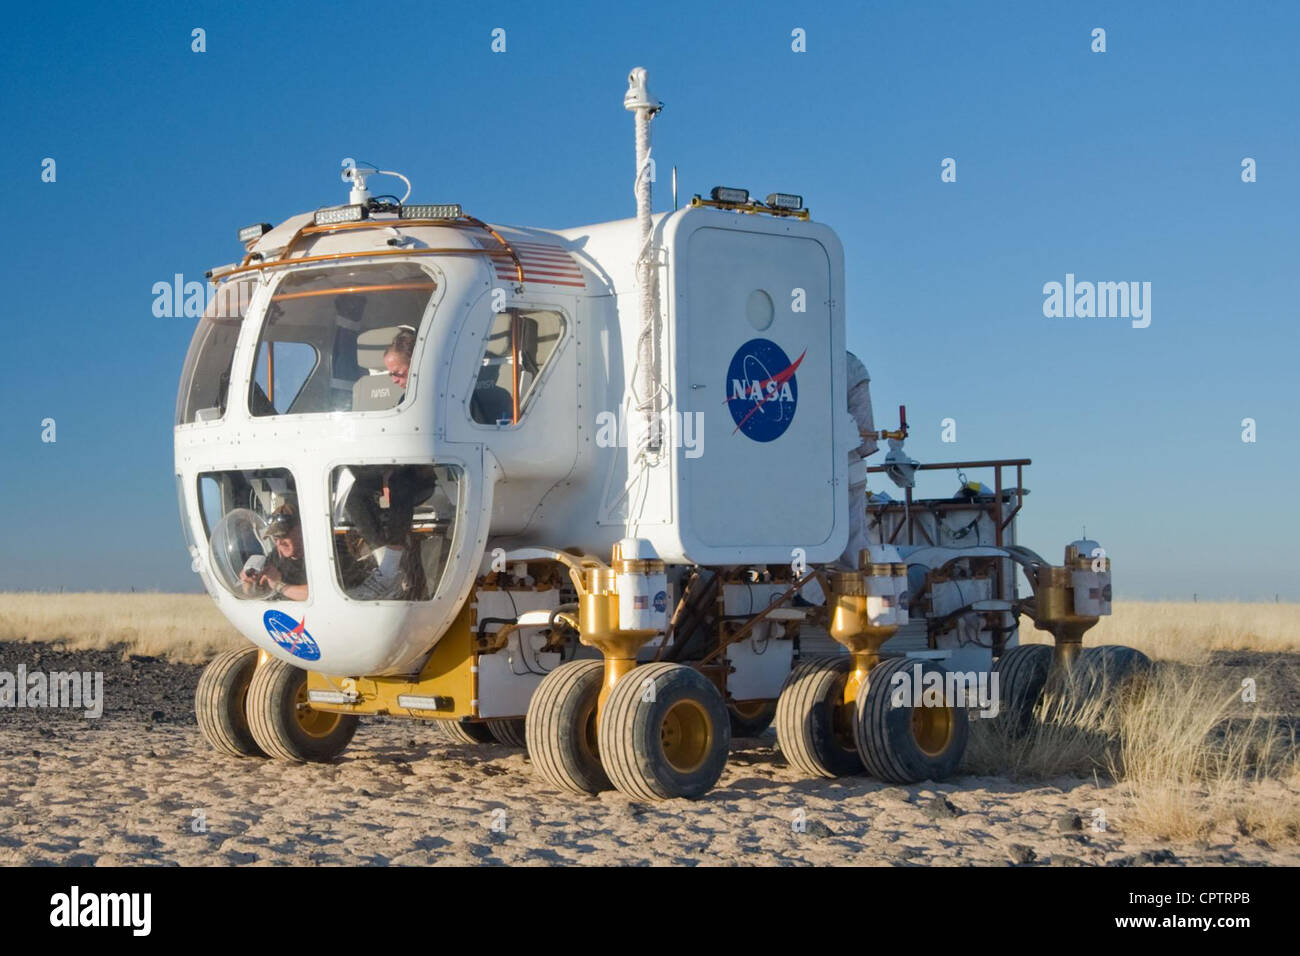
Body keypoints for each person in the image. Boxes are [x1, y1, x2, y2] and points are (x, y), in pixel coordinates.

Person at [240, 505, 309, 601]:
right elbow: (250, 592)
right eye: (275, 538)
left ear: (300, 529)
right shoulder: (276, 556)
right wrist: (249, 581)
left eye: (282, 535)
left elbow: (317, 594)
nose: (279, 543)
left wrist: (278, 585)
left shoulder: (314, 556)